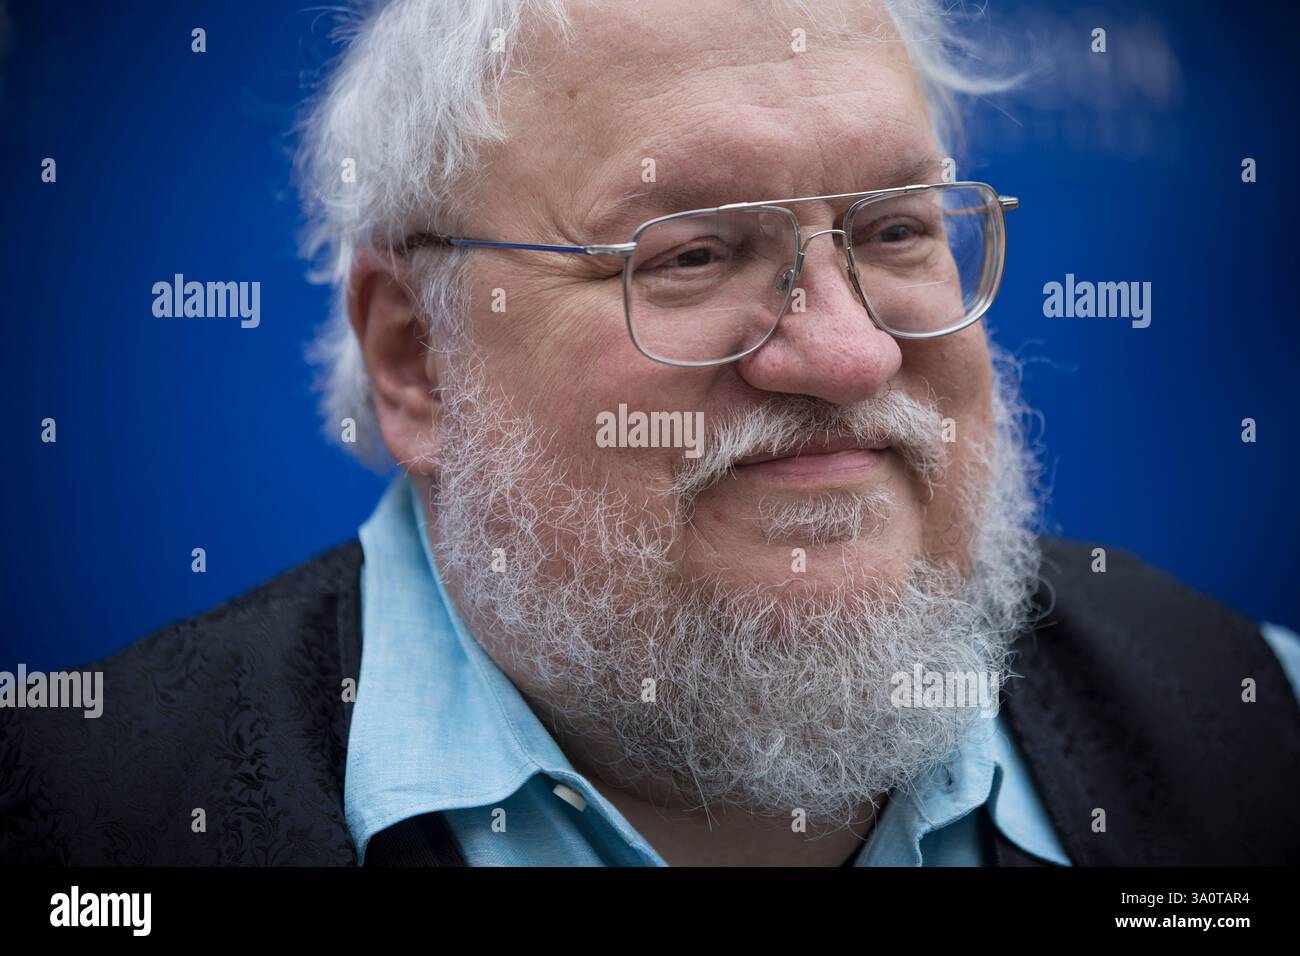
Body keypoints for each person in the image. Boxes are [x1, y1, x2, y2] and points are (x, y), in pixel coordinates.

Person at [3, 0, 1297, 867]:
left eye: (898, 229)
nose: (847, 351)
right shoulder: (76, 821)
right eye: (689, 254)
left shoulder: (1261, 725)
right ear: (416, 357)